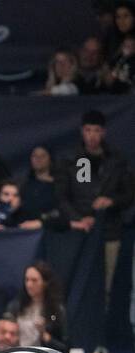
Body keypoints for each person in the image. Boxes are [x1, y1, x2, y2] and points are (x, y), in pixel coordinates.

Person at [55, 109, 133, 304]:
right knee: (76, 281)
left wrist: (111, 201)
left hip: (109, 230)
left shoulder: (117, 159)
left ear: (104, 132)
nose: (92, 136)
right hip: (80, 232)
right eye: (88, 130)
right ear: (82, 131)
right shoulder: (72, 160)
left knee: (107, 284)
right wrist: (79, 219)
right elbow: (62, 197)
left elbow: (129, 195)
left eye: (96, 130)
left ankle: (102, 324)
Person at [4, 261, 68, 351]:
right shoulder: (16, 306)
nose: (29, 285)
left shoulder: (56, 310)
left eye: (34, 280)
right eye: (27, 280)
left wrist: (44, 335)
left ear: (45, 283)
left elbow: (64, 347)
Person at [19, 146, 58, 223]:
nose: (38, 159)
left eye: (43, 156)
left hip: (51, 228)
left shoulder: (59, 185)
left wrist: (41, 221)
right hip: (25, 228)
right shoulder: (24, 186)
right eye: (35, 156)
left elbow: (60, 212)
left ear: (50, 159)